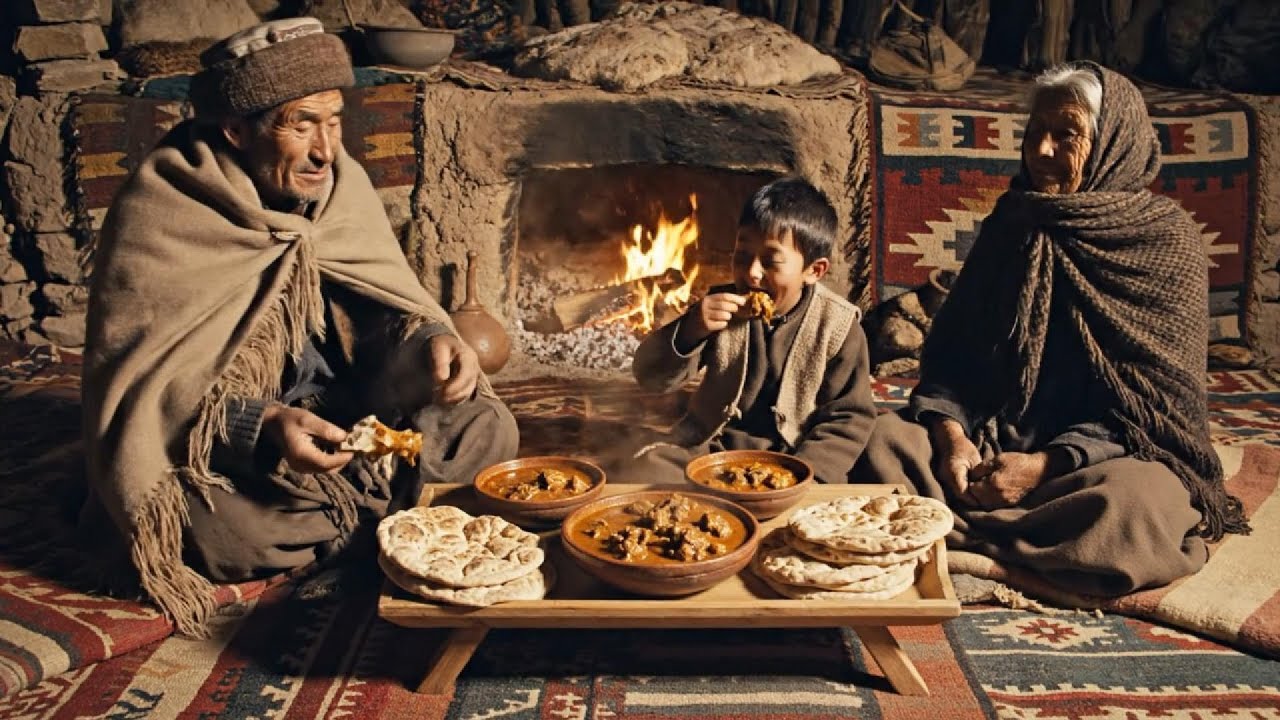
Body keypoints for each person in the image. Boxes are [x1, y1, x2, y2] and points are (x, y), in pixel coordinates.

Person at [79, 18, 519, 635]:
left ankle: (364, 524)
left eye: (333, 121)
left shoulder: (338, 184)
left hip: (350, 406)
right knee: (218, 530)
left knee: (486, 424)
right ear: (238, 129)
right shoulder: (166, 206)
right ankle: (393, 518)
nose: (324, 149)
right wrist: (266, 425)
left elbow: (385, 300)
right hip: (241, 444)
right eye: (300, 124)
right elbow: (145, 389)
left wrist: (431, 340)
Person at [853, 62, 1250, 596]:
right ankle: (1028, 550)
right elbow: (954, 362)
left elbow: (1157, 412)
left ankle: (959, 541)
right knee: (877, 442)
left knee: (1131, 511)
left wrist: (1044, 466)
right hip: (994, 439)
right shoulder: (1013, 223)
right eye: (1034, 134)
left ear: (1112, 142)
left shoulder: (1166, 241)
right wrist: (953, 439)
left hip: (1104, 457)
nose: (1040, 152)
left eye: (1065, 136)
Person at [614, 177, 877, 485]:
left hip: (793, 453)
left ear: (813, 271)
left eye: (771, 261)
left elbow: (849, 417)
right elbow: (651, 379)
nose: (751, 272)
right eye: (741, 256)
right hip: (714, 446)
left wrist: (810, 474)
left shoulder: (838, 326)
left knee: (863, 470)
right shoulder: (718, 309)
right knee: (646, 469)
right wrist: (691, 330)